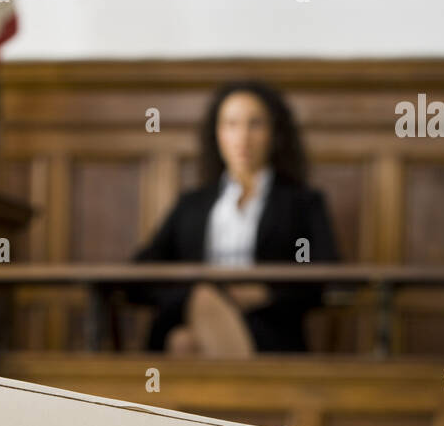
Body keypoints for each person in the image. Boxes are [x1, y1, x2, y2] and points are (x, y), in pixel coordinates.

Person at [130, 80, 339, 355]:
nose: (242, 137)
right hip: (190, 313)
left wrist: (266, 293)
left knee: (184, 343)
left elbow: (329, 276)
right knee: (194, 315)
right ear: (217, 134)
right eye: (231, 124)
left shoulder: (301, 204)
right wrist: (200, 293)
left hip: (269, 329)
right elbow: (139, 275)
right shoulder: (192, 205)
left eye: (255, 124)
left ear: (274, 133)